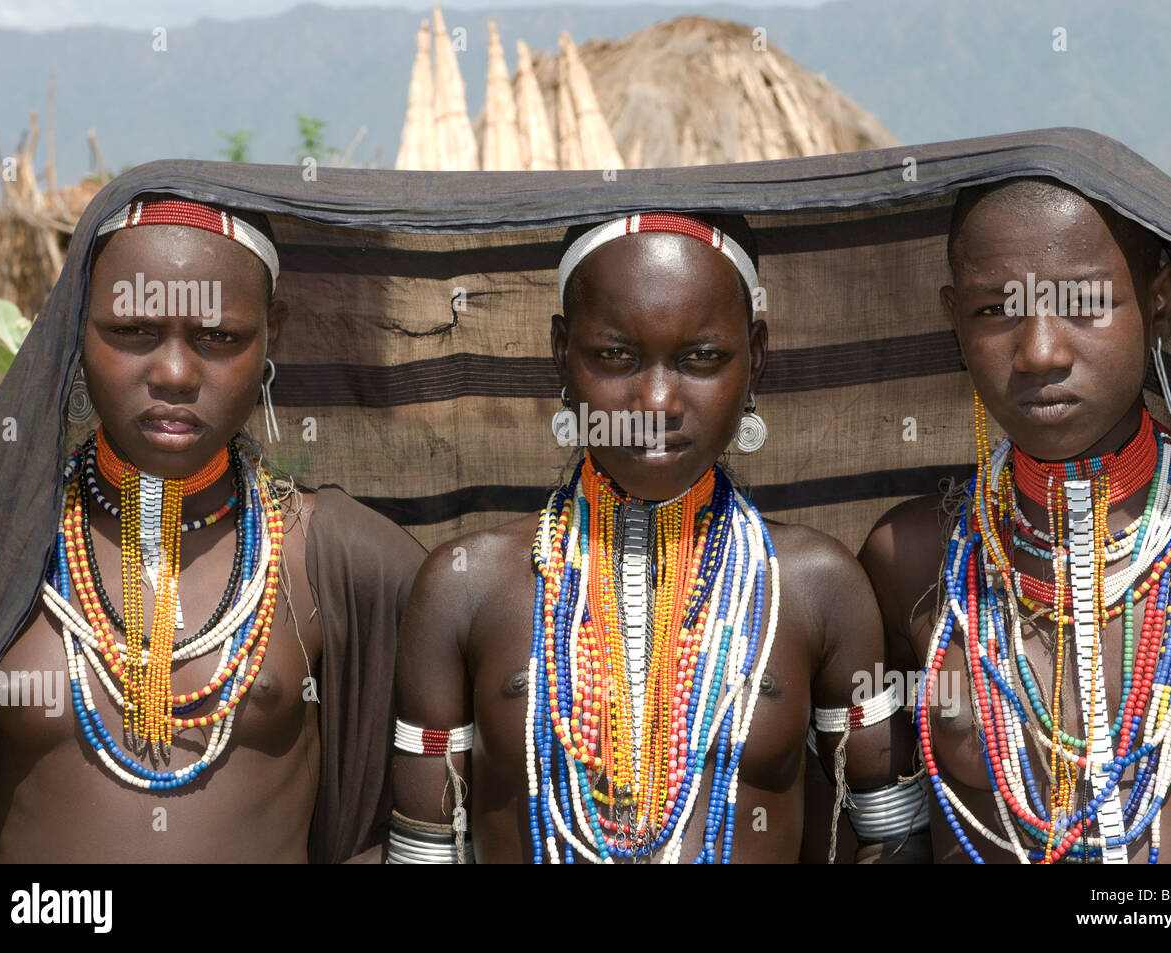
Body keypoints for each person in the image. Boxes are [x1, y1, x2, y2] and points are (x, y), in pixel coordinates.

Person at [390, 211, 925, 863]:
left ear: (755, 356)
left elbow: (892, 833)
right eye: (616, 355)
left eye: (701, 357)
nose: (657, 401)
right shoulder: (465, 584)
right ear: (562, 351)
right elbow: (421, 850)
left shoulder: (816, 584)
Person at [0, 195, 426, 862]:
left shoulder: (335, 554)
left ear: (273, 331)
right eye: (133, 331)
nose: (175, 374)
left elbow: (436, 807)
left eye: (218, 337)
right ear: (77, 329)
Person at [860, 177, 1171, 863]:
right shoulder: (910, 555)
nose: (1040, 351)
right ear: (954, 319)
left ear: (1159, 302)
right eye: (996, 309)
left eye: (1083, 303)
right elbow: (883, 832)